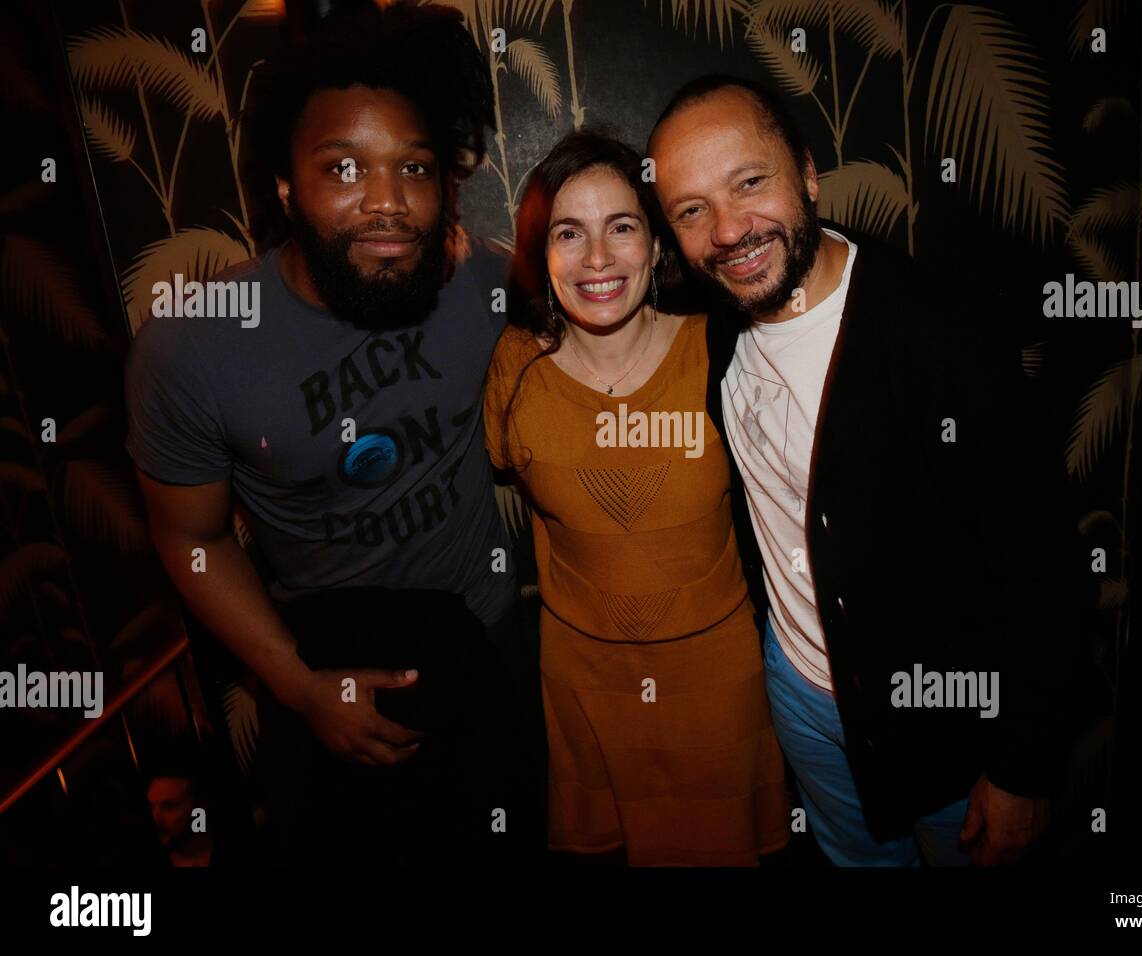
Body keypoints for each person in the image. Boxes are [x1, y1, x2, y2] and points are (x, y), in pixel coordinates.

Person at [123, 4, 541, 863]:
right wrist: (299, 687)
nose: (387, 201)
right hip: (334, 670)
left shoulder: (485, 284)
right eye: (344, 167)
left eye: (414, 169)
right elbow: (191, 538)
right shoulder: (193, 347)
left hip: (494, 648)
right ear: (286, 188)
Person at [646, 75, 1101, 866]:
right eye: (691, 210)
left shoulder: (941, 336)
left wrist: (1024, 767)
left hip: (943, 719)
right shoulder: (717, 328)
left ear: (808, 173)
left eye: (749, 183)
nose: (728, 230)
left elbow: (1048, 565)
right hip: (800, 696)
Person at [483, 128, 791, 866]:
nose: (597, 257)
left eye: (621, 227)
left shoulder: (721, 348)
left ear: (656, 247)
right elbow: (504, 464)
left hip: (716, 680)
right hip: (583, 684)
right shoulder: (515, 364)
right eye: (569, 233)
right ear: (542, 252)